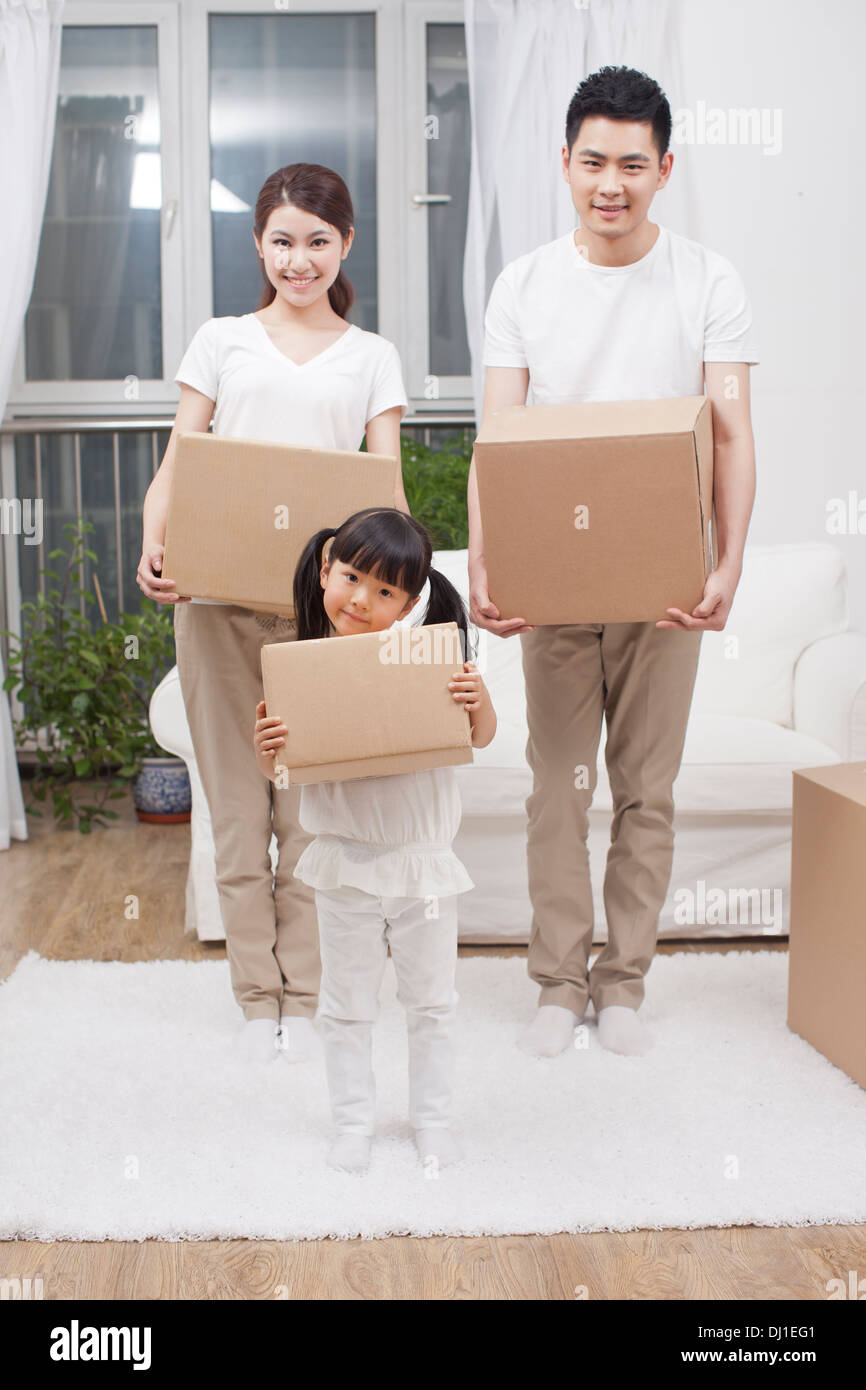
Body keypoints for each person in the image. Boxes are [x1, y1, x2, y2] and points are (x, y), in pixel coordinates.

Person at [467, 65, 758, 1058]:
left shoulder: (706, 280)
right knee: (556, 784)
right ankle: (558, 983)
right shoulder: (524, 283)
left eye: (631, 163)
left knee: (645, 785)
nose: (610, 182)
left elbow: (729, 433)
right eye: (592, 160)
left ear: (663, 168)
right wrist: (488, 563)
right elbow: (493, 435)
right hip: (552, 570)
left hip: (664, 574)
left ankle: (621, 983)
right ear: (563, 163)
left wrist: (727, 565)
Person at [136, 164, 411, 1066]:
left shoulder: (372, 357)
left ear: (346, 246)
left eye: (318, 241)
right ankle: (259, 1002)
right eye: (283, 241)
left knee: (307, 821)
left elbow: (387, 498)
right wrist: (154, 540)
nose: (300, 260)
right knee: (236, 815)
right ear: (259, 245)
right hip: (215, 609)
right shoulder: (221, 340)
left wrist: (395, 605)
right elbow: (180, 461)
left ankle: (310, 993)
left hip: (318, 618)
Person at [254, 507, 496, 1172]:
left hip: (421, 867)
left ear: (411, 603)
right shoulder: (302, 667)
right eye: (352, 576)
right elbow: (281, 770)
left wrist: (477, 699)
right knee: (347, 1005)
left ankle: (434, 1121)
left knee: (432, 1003)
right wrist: (265, 748)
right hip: (345, 867)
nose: (361, 598)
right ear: (327, 567)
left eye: (385, 591)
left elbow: (479, 735)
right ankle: (353, 1122)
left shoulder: (428, 659)